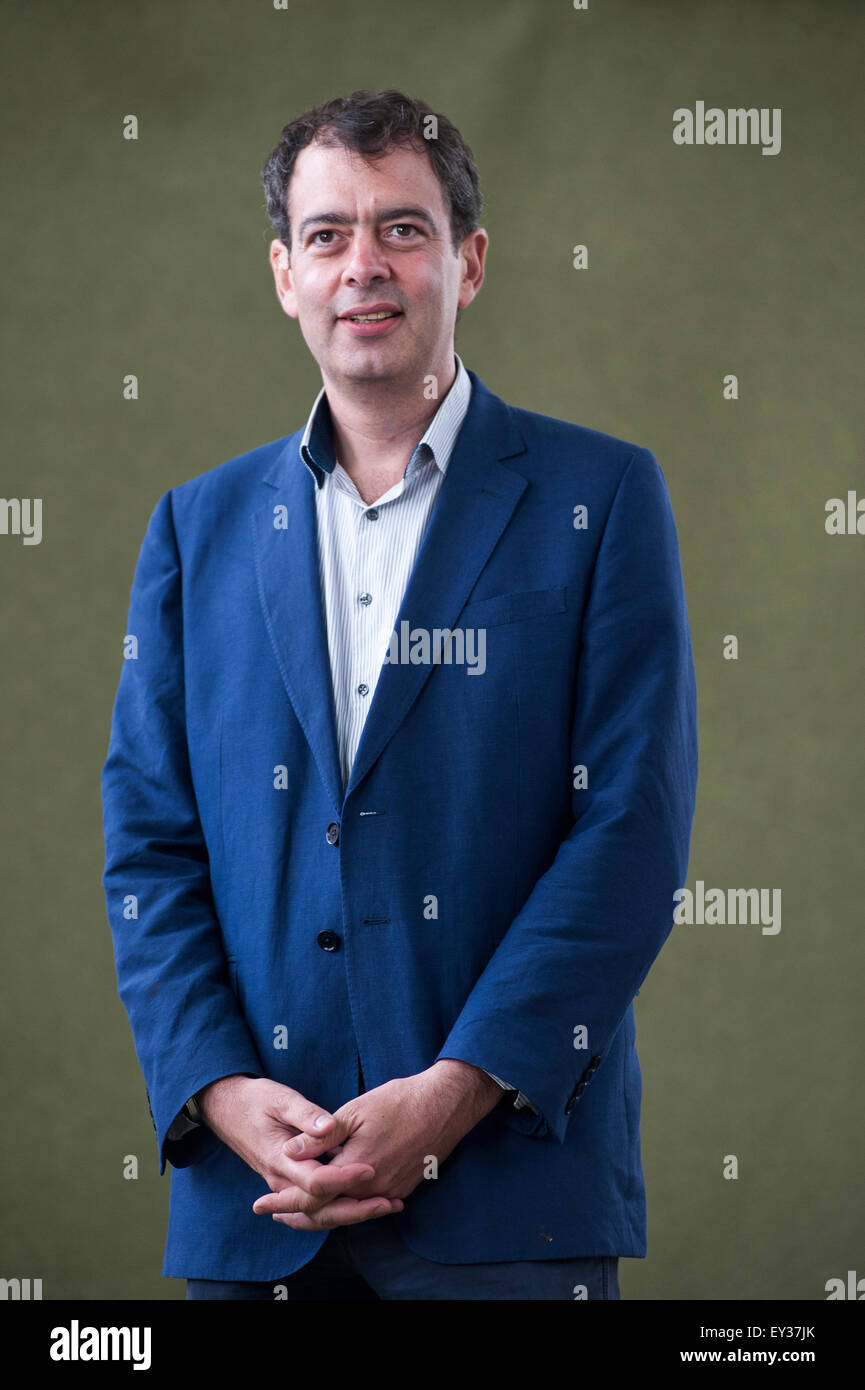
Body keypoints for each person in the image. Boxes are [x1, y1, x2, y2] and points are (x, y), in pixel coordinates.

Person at [101, 88, 698, 1301]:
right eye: (326, 234)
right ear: (283, 272)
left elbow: (629, 832)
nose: (361, 267)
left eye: (402, 230)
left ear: (468, 262)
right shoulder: (195, 529)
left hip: (508, 1207)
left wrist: (454, 1091)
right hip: (255, 1202)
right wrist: (217, 1086)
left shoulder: (601, 500)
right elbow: (150, 847)